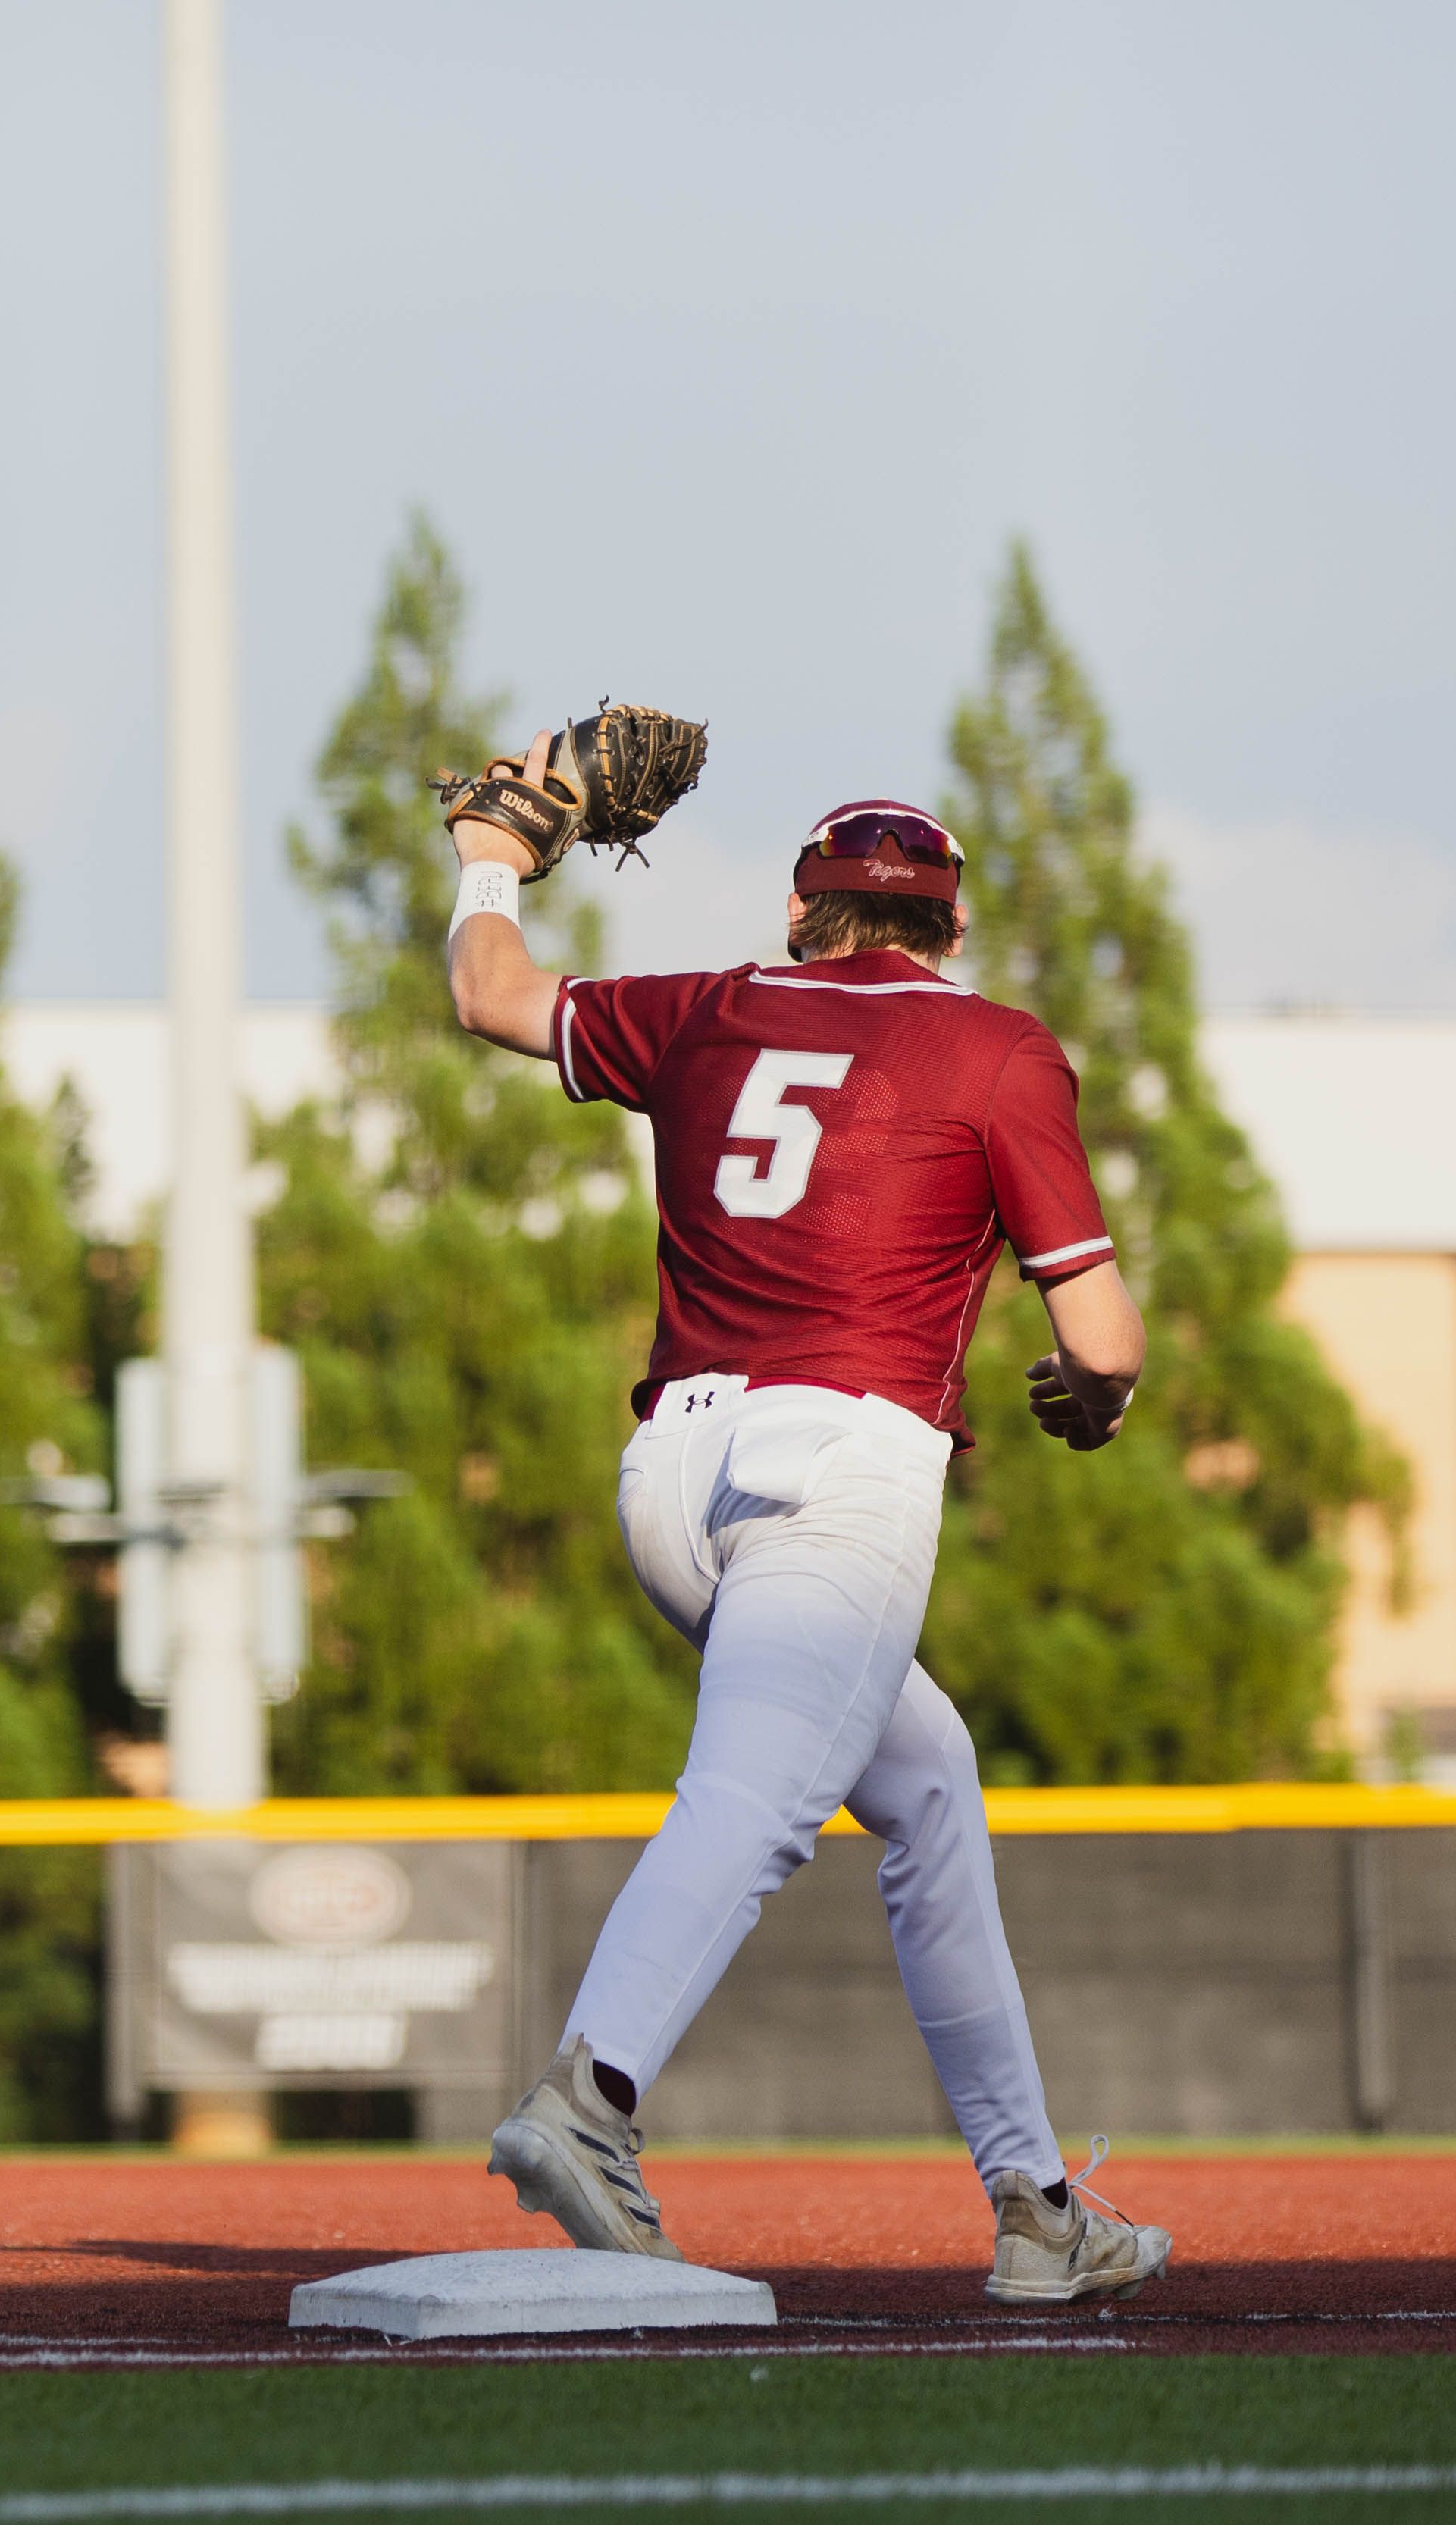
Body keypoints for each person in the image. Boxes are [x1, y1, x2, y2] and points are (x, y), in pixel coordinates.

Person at [442, 747, 1176, 2308]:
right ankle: (587, 2098)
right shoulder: (991, 1049)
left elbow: (490, 996)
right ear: (951, 932)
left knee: (925, 1793)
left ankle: (1034, 2204)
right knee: (757, 1799)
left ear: (799, 912)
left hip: (672, 1478)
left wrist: (488, 855)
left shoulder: (707, 1006)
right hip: (835, 1471)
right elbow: (1101, 1342)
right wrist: (1092, 1401)